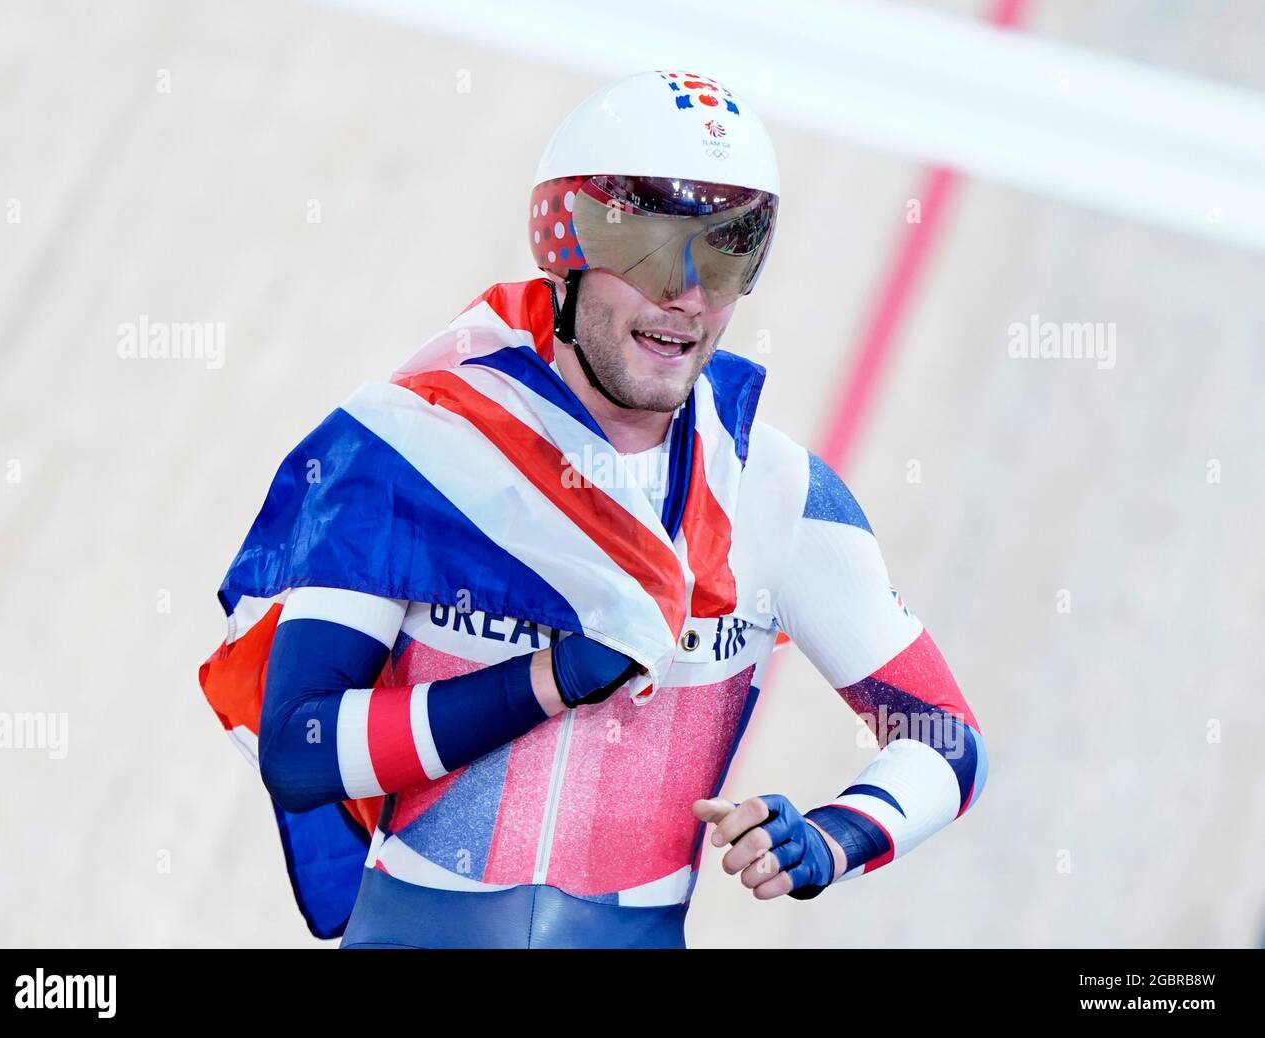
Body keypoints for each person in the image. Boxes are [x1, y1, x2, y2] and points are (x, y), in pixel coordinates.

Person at [199, 69, 987, 949]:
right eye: (654, 249)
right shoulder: (414, 455)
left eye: (727, 251)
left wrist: (837, 837)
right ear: (564, 246)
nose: (687, 294)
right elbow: (300, 746)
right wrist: (544, 683)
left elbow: (946, 739)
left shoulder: (778, 496)